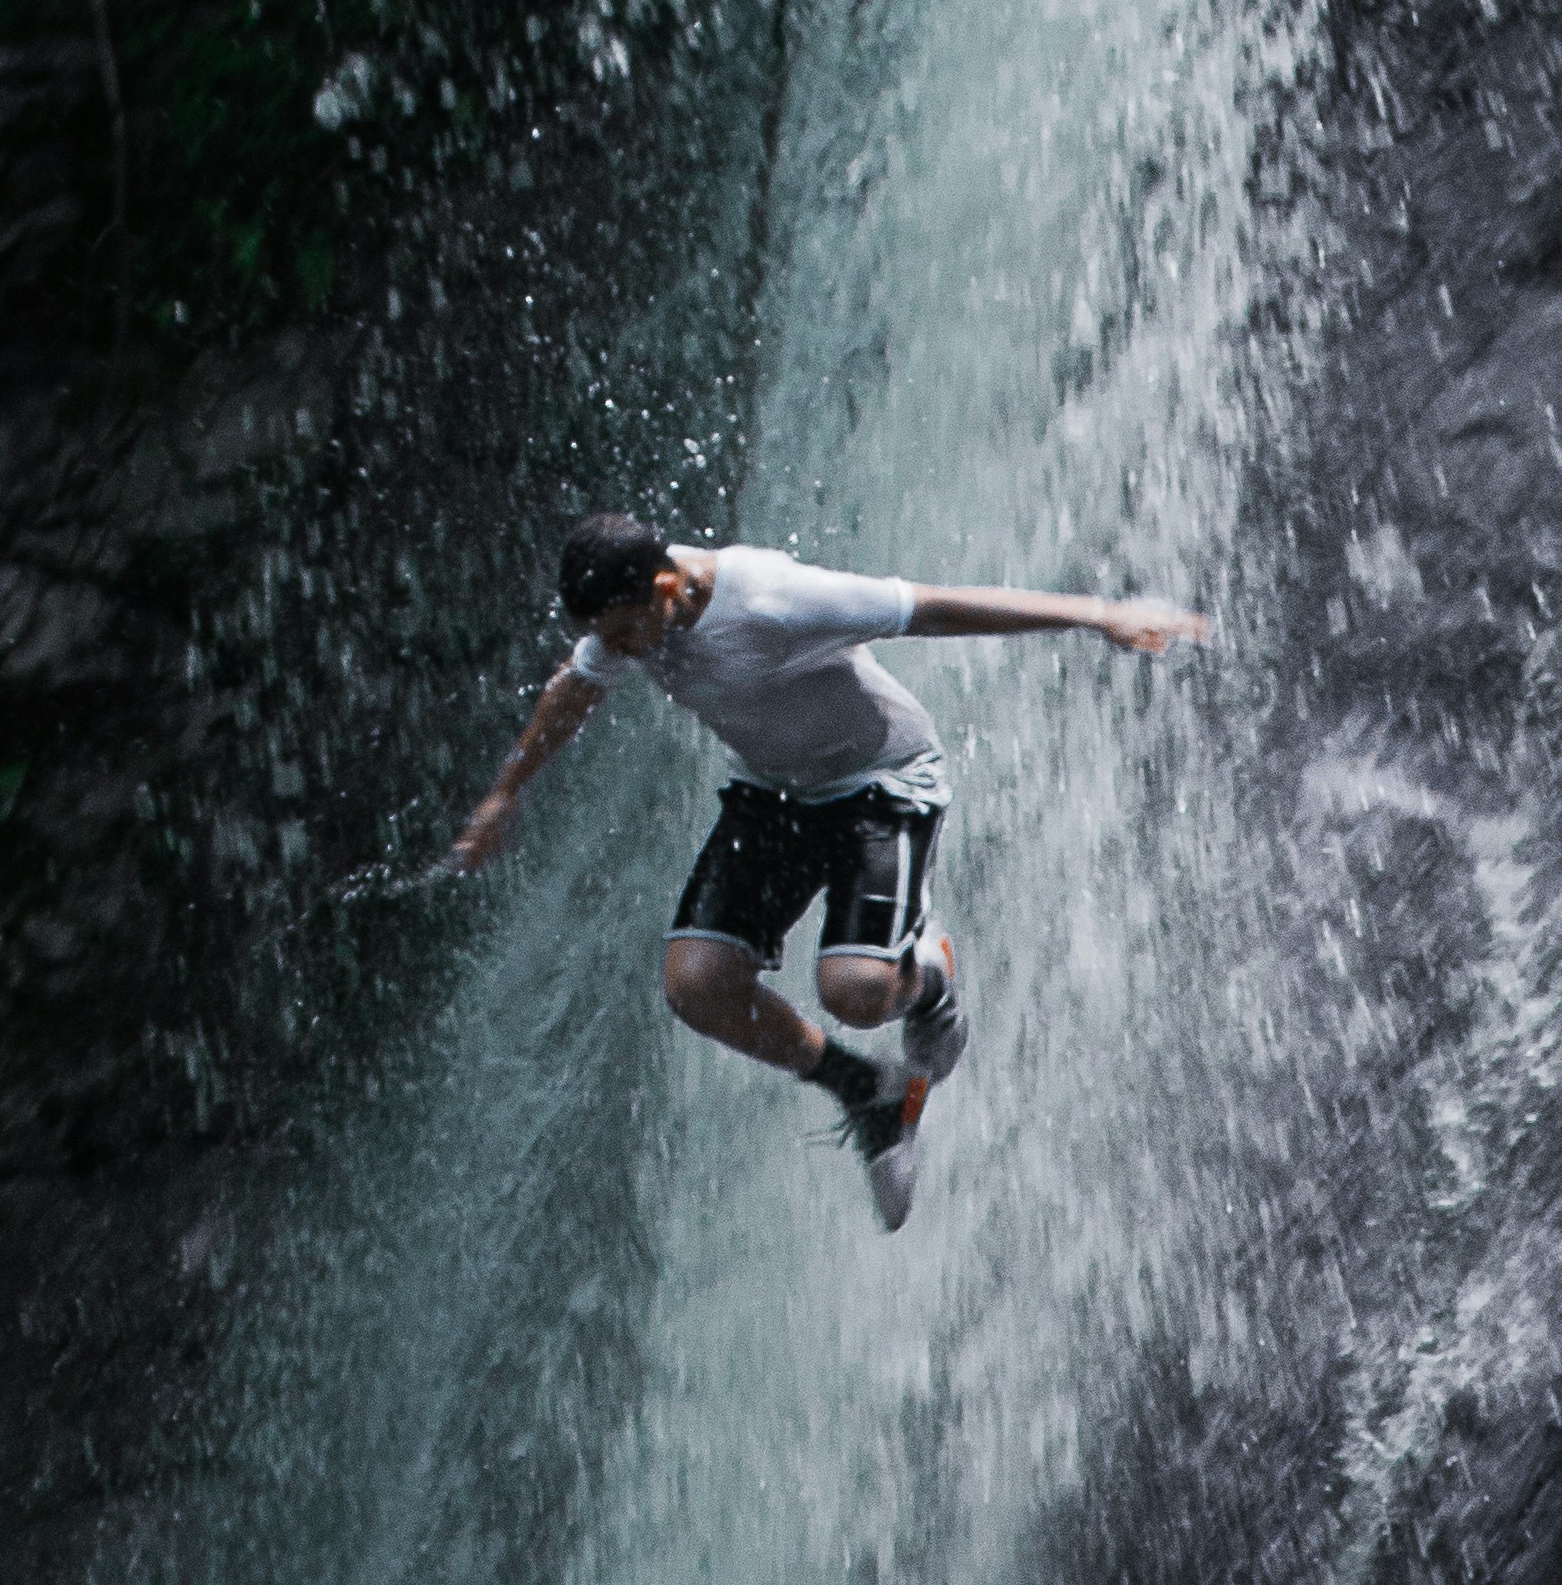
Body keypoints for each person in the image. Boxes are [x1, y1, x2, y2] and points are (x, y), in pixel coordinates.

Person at [453, 515, 1211, 1227]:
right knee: (696, 985)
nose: (615, 652)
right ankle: (868, 1090)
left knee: (854, 992)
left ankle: (929, 976)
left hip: (882, 780)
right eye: (603, 638)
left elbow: (934, 608)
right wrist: (502, 796)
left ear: (662, 587)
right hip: (775, 790)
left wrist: (1097, 614)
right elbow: (571, 690)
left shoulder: (772, 600)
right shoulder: (631, 629)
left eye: (620, 634)